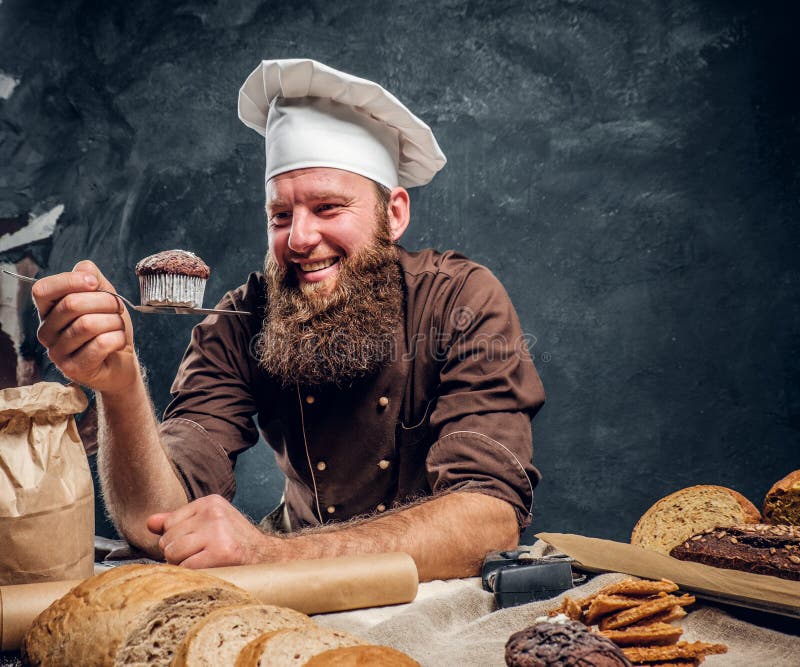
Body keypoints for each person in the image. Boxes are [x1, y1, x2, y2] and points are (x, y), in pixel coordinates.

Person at [32, 59, 545, 581]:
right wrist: (118, 386)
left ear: (394, 214)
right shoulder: (240, 320)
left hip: (430, 586)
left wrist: (268, 555)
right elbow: (157, 521)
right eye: (281, 216)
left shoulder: (462, 300)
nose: (298, 239)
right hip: (294, 585)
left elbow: (489, 519)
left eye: (327, 208)